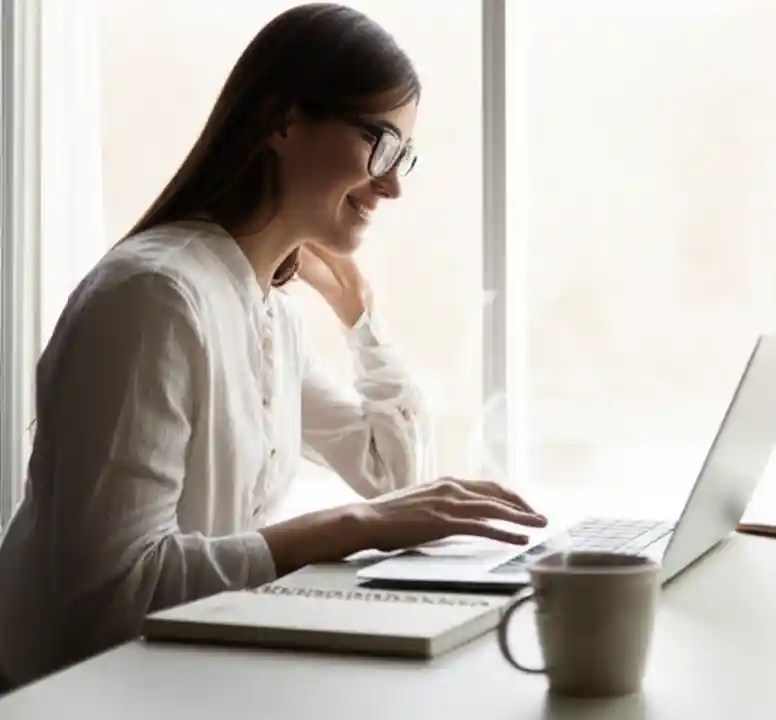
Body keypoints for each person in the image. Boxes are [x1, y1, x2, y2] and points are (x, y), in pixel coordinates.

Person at [0, 3, 546, 690]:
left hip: (183, 684)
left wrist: (361, 318)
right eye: (381, 143)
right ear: (283, 121)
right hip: (76, 696)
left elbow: (393, 475)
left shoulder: (267, 314)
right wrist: (349, 526)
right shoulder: (155, 297)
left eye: (404, 156)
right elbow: (109, 601)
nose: (393, 184)